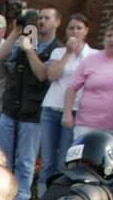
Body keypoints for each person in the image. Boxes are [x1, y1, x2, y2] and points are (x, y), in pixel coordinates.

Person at [0, 6, 62, 200]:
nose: (41, 22)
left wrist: (30, 50)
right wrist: (16, 31)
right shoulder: (27, 38)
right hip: (11, 107)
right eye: (39, 18)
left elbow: (43, 74)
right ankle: (0, 193)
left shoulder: (57, 49)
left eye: (47, 18)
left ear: (57, 22)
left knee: (25, 161)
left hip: (33, 113)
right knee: (3, 156)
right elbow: (1, 57)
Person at [63, 18, 113, 148]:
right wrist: (67, 113)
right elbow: (72, 88)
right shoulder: (90, 60)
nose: (112, 39)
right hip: (87, 126)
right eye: (109, 35)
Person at [40, 13, 97, 188]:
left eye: (79, 28)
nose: (74, 31)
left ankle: (60, 193)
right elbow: (51, 75)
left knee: (65, 157)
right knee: (47, 158)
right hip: (51, 108)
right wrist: (68, 53)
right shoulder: (59, 52)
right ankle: (43, 196)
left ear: (86, 31)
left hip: (75, 110)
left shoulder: (93, 55)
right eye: (71, 27)